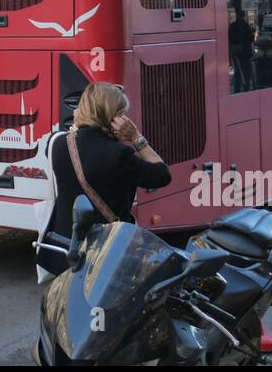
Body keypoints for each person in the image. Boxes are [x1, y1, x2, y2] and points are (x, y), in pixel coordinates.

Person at [35, 83, 172, 281]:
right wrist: (136, 138)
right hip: (105, 255)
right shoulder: (119, 154)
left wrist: (78, 124)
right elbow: (162, 175)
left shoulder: (57, 144)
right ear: (115, 118)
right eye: (123, 113)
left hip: (66, 252)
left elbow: (72, 139)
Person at [228, 11, 256, 92]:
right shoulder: (246, 26)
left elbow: (229, 39)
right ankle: (246, 88)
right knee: (247, 71)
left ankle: (237, 89)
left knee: (237, 71)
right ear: (244, 16)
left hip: (235, 52)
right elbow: (251, 38)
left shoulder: (232, 26)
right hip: (245, 53)